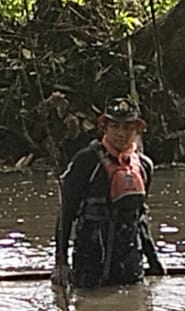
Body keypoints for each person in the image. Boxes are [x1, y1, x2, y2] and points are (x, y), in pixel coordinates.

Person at [52, 96, 167, 289]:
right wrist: (60, 263)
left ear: (137, 130)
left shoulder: (144, 166)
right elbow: (66, 213)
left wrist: (153, 261)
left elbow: (140, 217)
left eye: (128, 127)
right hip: (90, 263)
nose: (121, 133)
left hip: (130, 263)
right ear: (104, 127)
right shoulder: (86, 161)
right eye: (115, 127)